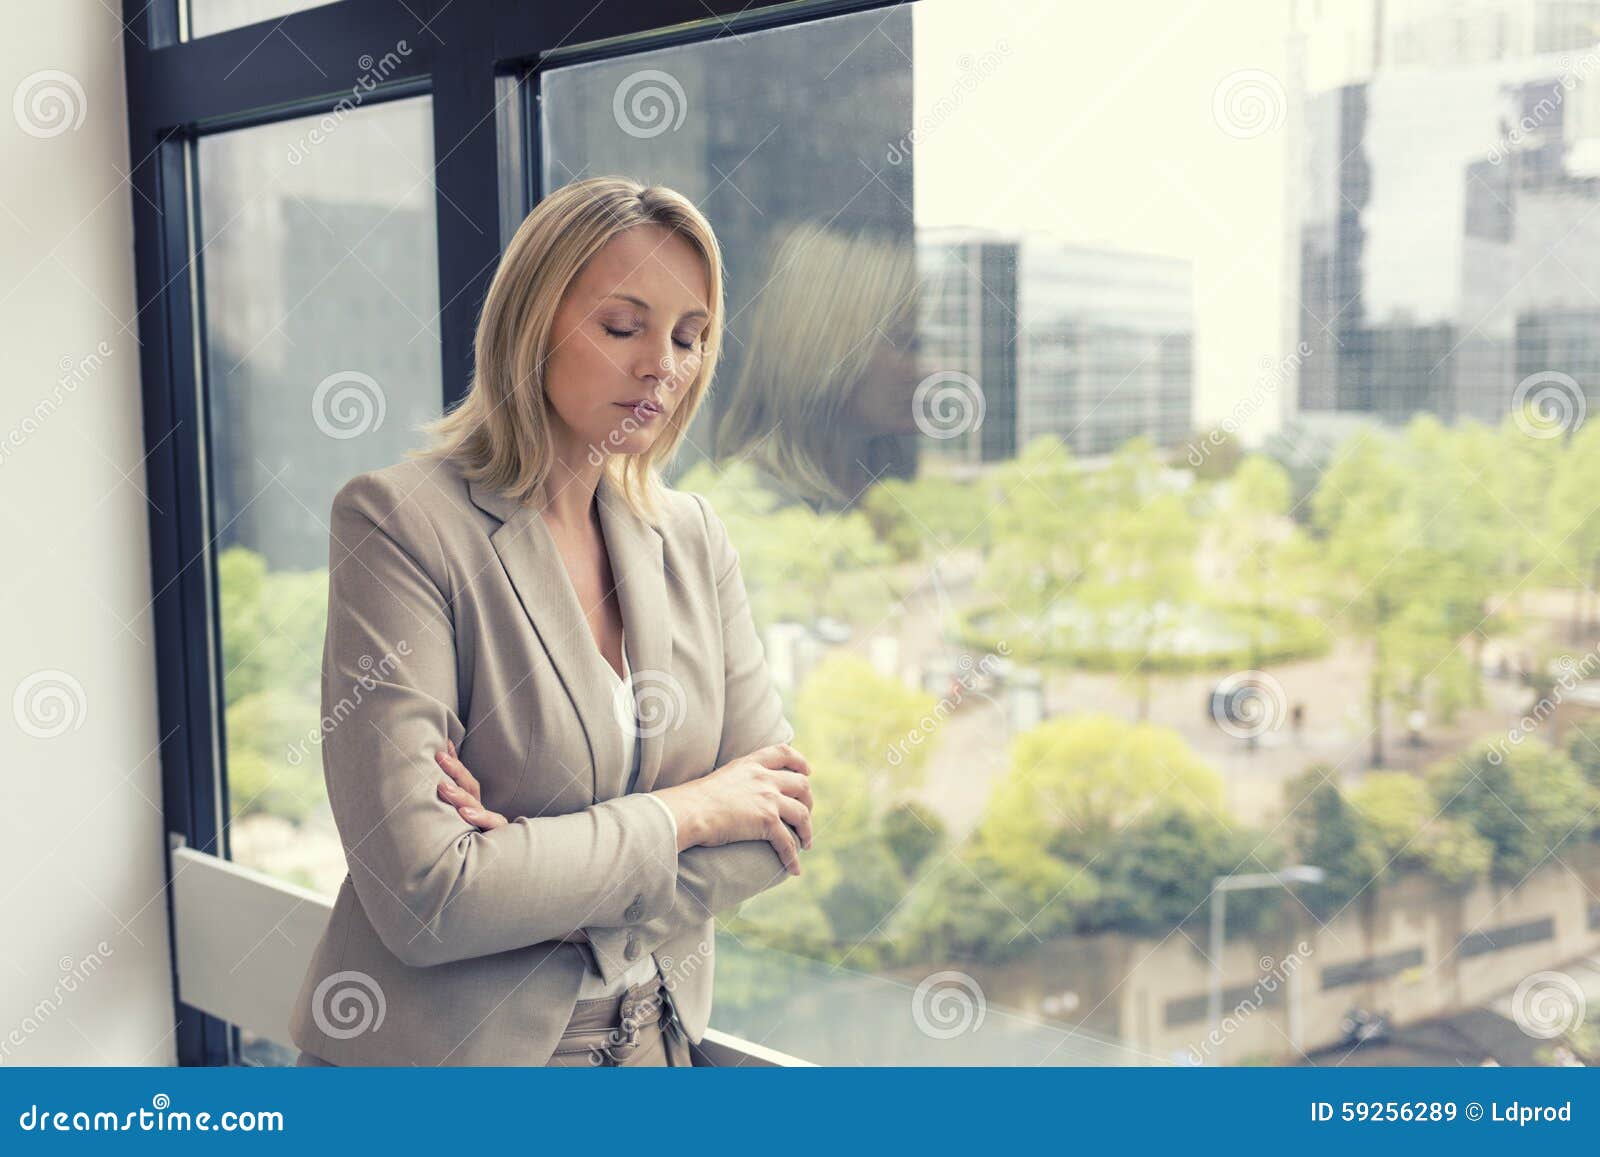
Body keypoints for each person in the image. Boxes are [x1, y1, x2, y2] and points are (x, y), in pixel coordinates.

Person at [287, 176, 815, 1067]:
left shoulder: (692, 538)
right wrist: (689, 811)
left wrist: (525, 864)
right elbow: (428, 896)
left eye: (690, 337)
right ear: (534, 322)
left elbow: (777, 828)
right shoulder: (401, 523)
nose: (664, 364)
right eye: (623, 327)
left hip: (652, 1048)